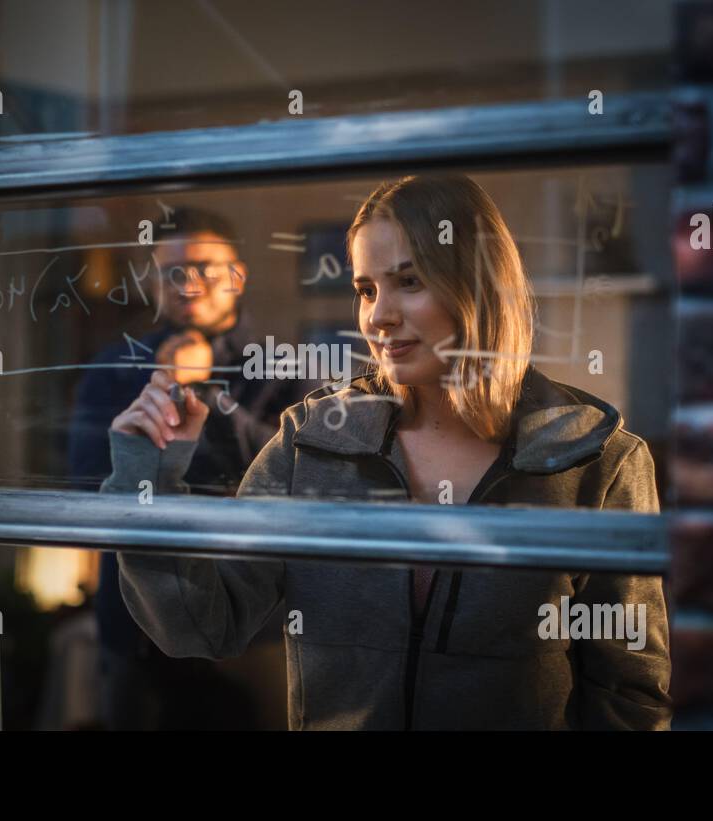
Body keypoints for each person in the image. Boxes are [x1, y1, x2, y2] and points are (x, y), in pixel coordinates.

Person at [100, 175, 673, 730]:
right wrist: (149, 480)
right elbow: (204, 627)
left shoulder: (596, 460)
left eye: (409, 281)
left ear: (478, 286)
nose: (378, 317)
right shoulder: (311, 442)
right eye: (367, 290)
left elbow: (629, 696)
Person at [66, 207, 308, 729]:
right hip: (134, 620)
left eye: (204, 268)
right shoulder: (113, 369)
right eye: (171, 272)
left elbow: (291, 478)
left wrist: (205, 393)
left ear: (237, 275)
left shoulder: (286, 368)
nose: (188, 284)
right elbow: (83, 486)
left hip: (256, 619)